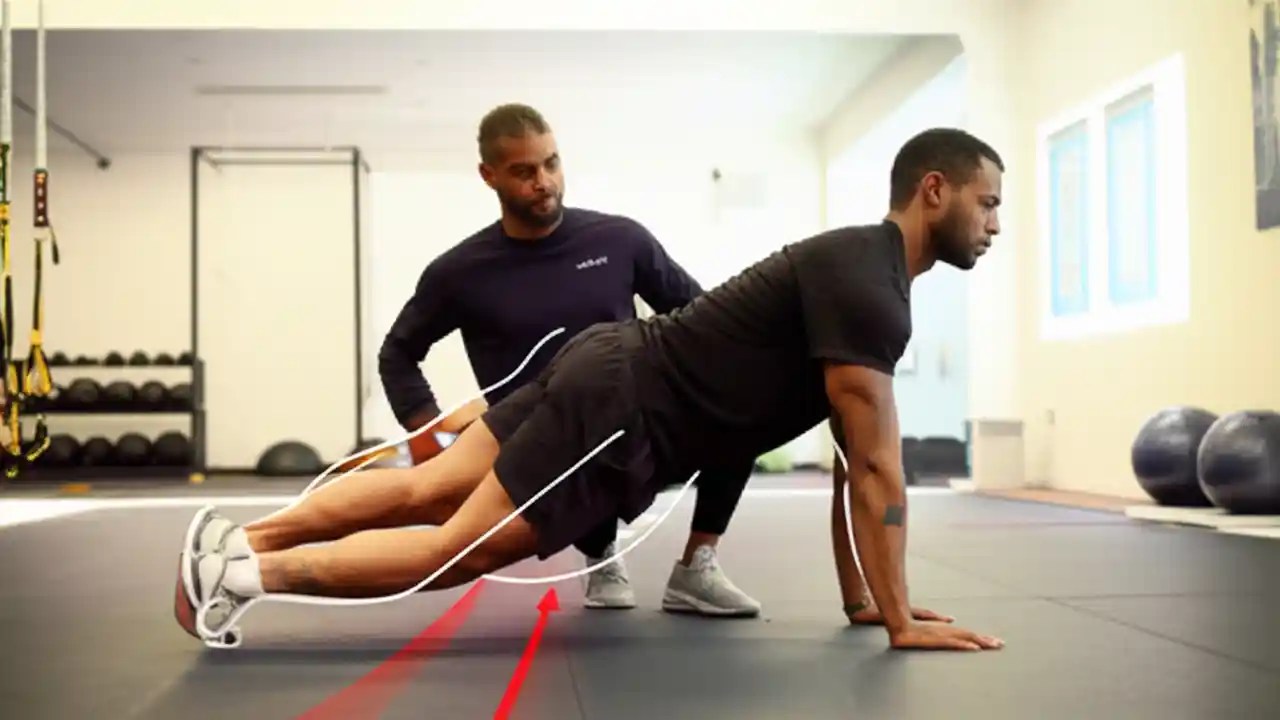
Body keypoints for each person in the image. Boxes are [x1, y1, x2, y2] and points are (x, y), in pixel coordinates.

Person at [175, 127, 1006, 652]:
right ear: (935, 189)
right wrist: (898, 623)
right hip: (622, 410)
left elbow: (849, 461)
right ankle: (237, 578)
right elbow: (876, 473)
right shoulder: (870, 287)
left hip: (605, 360)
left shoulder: (858, 269)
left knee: (427, 491)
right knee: (451, 546)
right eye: (988, 203)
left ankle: (241, 541)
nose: (995, 224)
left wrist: (867, 601)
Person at [373, 103, 761, 616]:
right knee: (459, 537)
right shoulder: (460, 273)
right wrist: (431, 439)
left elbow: (701, 317)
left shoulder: (619, 240)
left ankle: (696, 565)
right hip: (545, 446)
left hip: (639, 421)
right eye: (524, 171)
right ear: (489, 176)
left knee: (745, 407)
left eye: (551, 164)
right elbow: (398, 353)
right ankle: (599, 550)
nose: (544, 181)